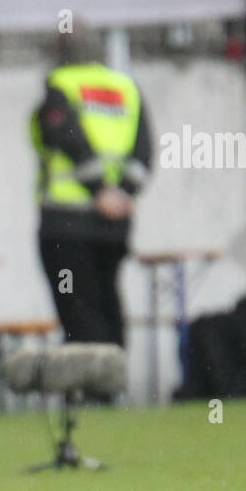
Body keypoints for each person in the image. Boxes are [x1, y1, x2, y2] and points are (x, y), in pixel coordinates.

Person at [30, 27, 153, 348]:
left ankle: (91, 387)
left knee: (77, 306)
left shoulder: (60, 86)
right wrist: (123, 193)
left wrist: (99, 190)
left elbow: (66, 137)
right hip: (113, 226)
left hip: (66, 224)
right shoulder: (126, 88)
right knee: (107, 299)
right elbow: (144, 151)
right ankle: (114, 382)